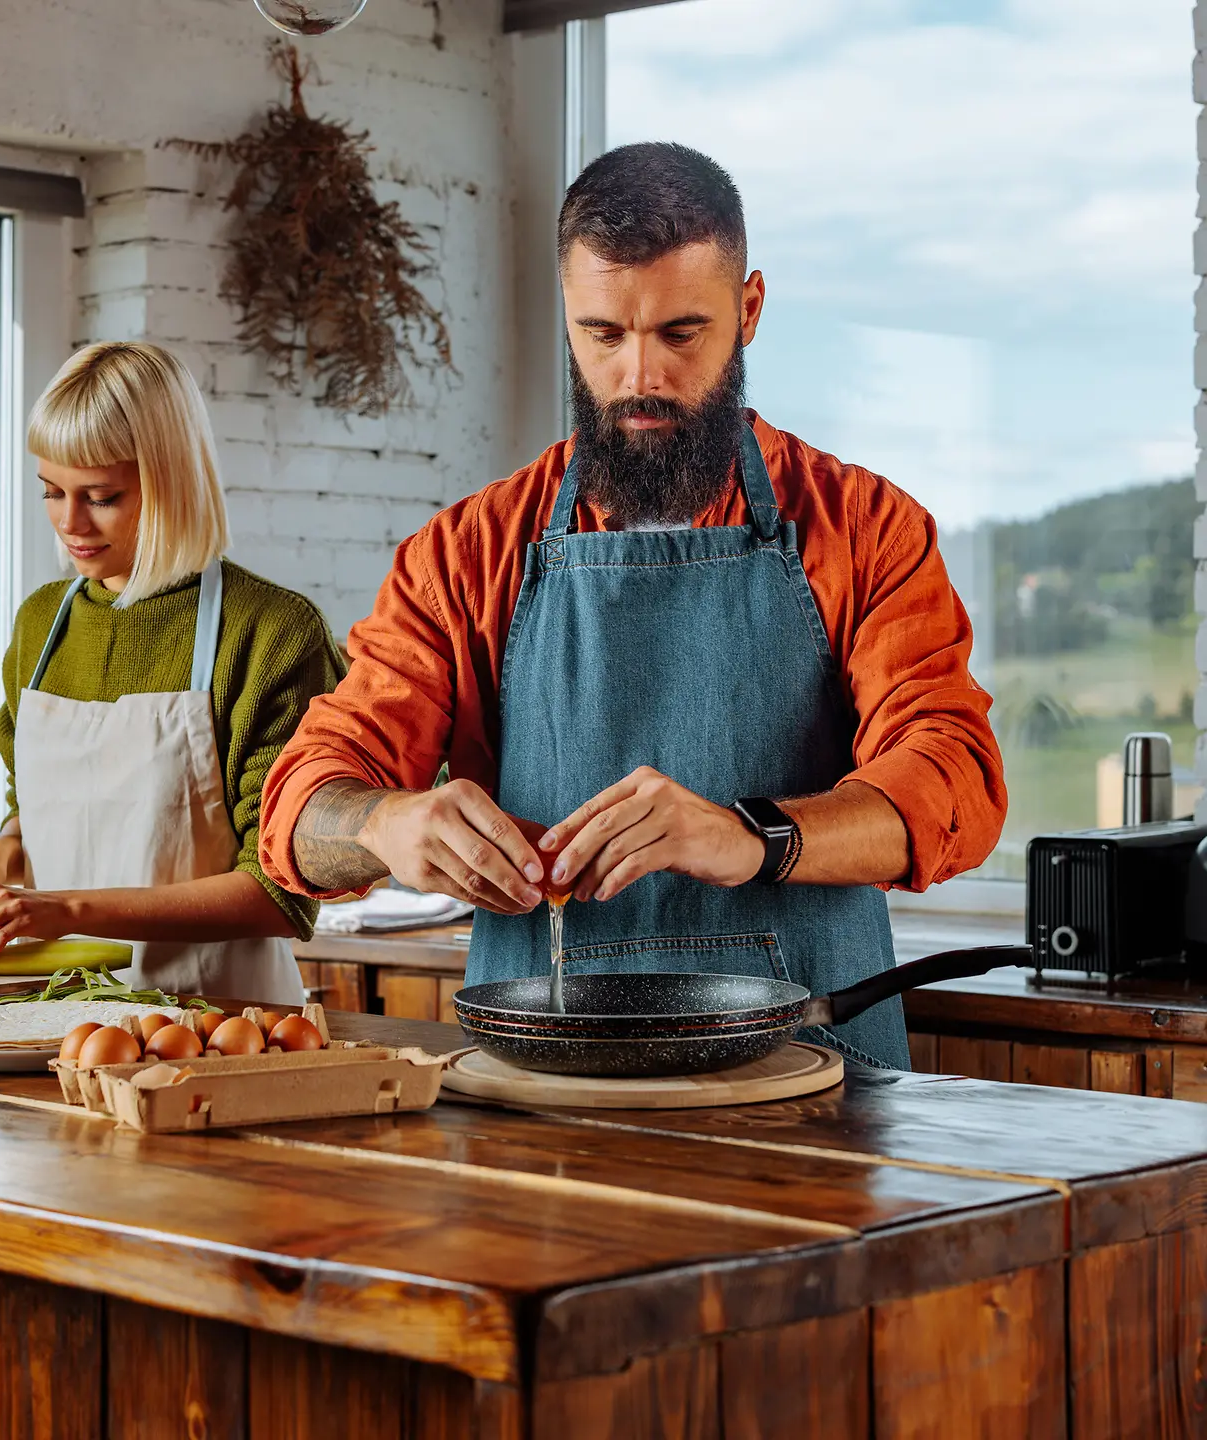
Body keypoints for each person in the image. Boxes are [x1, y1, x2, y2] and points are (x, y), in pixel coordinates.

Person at [258, 143, 1007, 1067]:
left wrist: (751, 836)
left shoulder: (864, 527)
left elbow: (955, 779)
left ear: (750, 310)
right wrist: (384, 825)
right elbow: (298, 812)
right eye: (604, 335)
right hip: (543, 1090)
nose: (639, 377)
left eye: (681, 333)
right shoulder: (465, 554)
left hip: (819, 1088)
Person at [0, 341, 344, 1003]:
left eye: (101, 496)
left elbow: (279, 894)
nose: (70, 524)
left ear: (170, 480)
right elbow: (37, 810)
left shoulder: (270, 631)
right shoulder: (43, 624)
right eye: (51, 491)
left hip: (218, 1027)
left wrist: (66, 913)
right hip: (50, 1019)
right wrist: (4, 851)